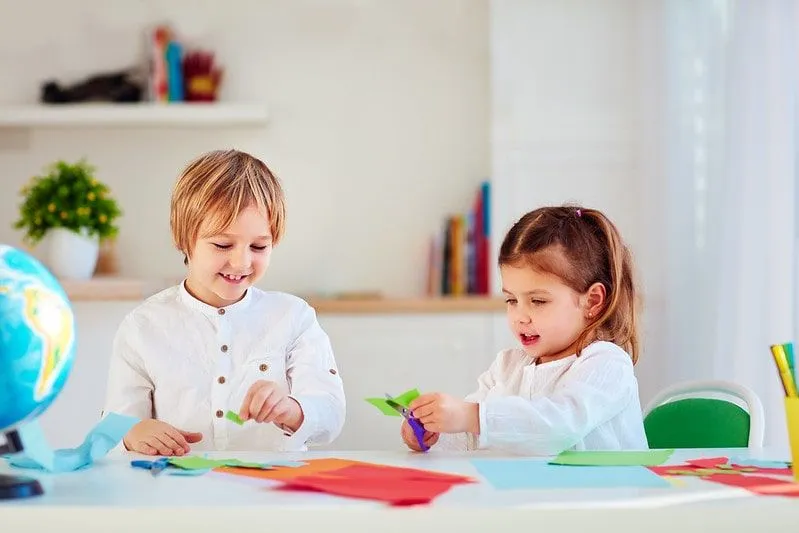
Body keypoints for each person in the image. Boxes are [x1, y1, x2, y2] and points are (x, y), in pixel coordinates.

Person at [103, 149, 345, 454]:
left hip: (271, 496)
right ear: (183, 239)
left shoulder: (293, 318)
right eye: (222, 244)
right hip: (177, 496)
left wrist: (291, 409)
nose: (241, 261)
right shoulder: (143, 326)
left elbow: (331, 413)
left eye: (259, 246)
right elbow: (113, 427)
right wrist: (134, 433)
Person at [402, 205, 648, 454]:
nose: (520, 316)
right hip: (534, 492)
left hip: (604, 492)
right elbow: (473, 434)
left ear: (592, 301)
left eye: (538, 301)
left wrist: (471, 416)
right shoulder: (507, 367)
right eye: (511, 300)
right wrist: (433, 432)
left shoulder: (607, 364)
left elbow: (558, 427)